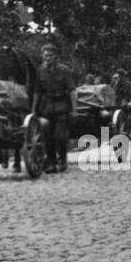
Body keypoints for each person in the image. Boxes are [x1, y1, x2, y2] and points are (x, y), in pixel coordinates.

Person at [35, 44, 75, 173]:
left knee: (60, 136)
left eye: (50, 55)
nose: (47, 58)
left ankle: (62, 159)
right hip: (46, 107)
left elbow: (72, 91)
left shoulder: (64, 70)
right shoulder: (40, 71)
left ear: (56, 56)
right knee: (47, 137)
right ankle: (51, 162)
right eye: (45, 55)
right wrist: (34, 110)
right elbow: (37, 92)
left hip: (62, 106)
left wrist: (74, 109)